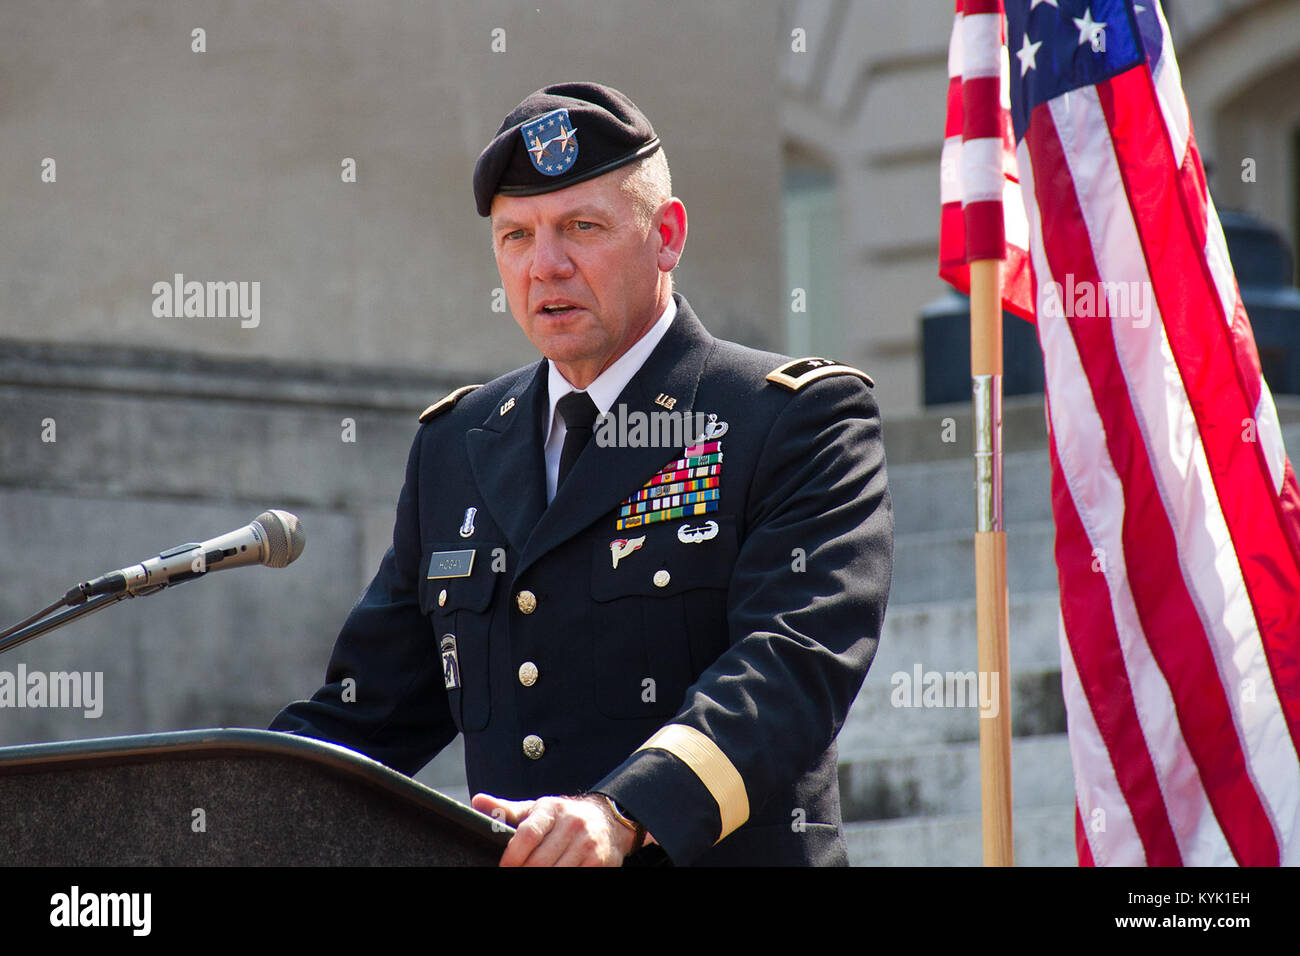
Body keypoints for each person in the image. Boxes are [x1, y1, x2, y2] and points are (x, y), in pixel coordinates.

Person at [270, 81, 893, 866]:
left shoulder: (791, 420)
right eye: (516, 236)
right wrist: (219, 801)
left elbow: (793, 666)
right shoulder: (456, 445)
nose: (546, 266)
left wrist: (624, 811)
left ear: (667, 237)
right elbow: (368, 713)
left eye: (582, 228)